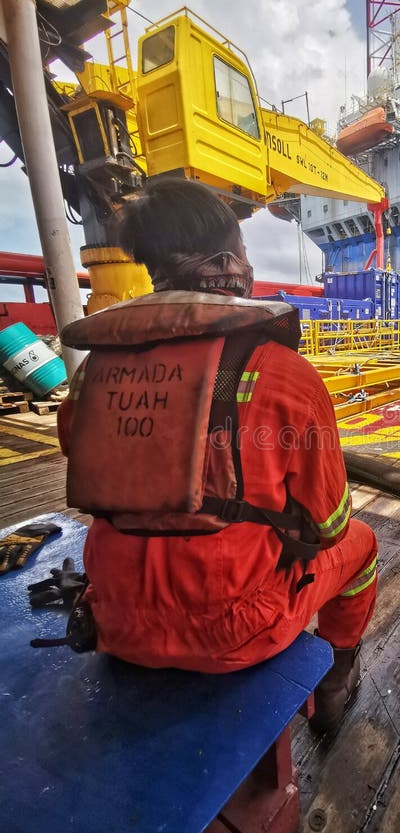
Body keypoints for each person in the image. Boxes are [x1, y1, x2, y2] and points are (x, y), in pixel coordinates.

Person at [56, 178, 378, 733]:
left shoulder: (92, 374)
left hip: (113, 614)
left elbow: (94, 471)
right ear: (229, 260)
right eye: (246, 252)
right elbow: (328, 525)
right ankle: (335, 680)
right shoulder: (280, 371)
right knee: (363, 546)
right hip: (231, 629)